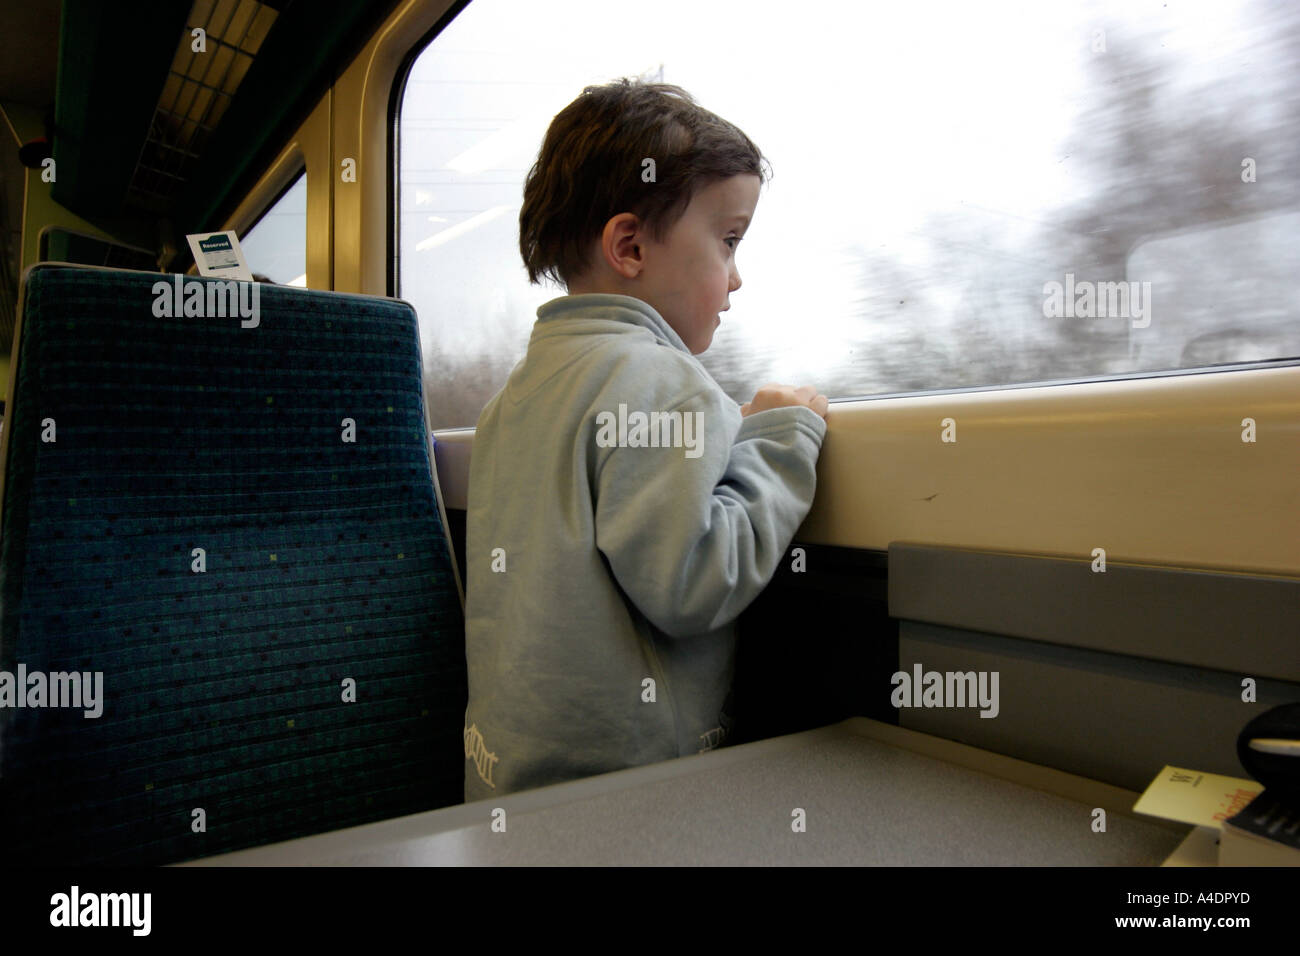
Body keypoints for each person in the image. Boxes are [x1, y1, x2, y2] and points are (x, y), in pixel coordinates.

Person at [462, 78, 829, 800]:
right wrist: (779, 438)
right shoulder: (659, 380)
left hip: (505, 782)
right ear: (629, 244)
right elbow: (694, 580)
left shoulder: (514, 395)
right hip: (632, 797)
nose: (737, 278)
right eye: (728, 242)